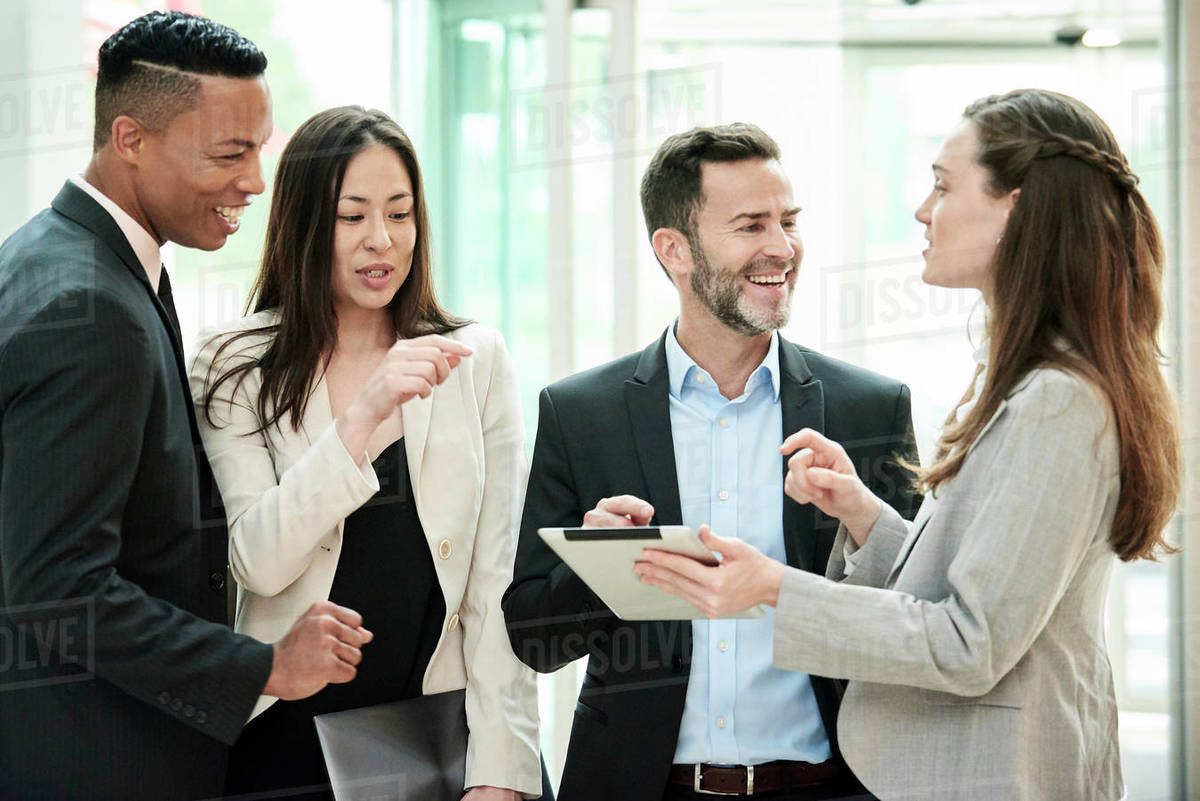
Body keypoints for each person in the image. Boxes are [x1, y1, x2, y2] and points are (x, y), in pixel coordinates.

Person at [635, 89, 1181, 801]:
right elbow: (981, 586)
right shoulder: (1033, 383)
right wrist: (867, 518)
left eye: (944, 185)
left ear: (1015, 207)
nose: (924, 210)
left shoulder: (1057, 400)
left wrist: (772, 588)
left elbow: (969, 642)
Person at [0, 12, 371, 801]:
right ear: (130, 138)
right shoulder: (90, 305)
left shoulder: (58, 257)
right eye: (229, 154)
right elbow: (58, 585)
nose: (254, 182)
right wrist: (262, 665)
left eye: (259, 150)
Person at [503, 123, 920, 801]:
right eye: (752, 226)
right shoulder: (581, 414)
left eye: (788, 222)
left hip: (829, 784)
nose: (781, 248)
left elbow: (915, 622)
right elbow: (535, 640)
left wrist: (864, 520)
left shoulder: (869, 410)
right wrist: (598, 566)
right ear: (675, 250)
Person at [189, 106, 544, 801]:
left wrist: (500, 771)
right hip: (286, 747)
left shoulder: (475, 359)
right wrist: (364, 414)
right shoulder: (232, 363)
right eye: (352, 217)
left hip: (438, 743)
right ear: (306, 225)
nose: (381, 240)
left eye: (399, 213)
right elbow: (256, 559)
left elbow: (495, 585)